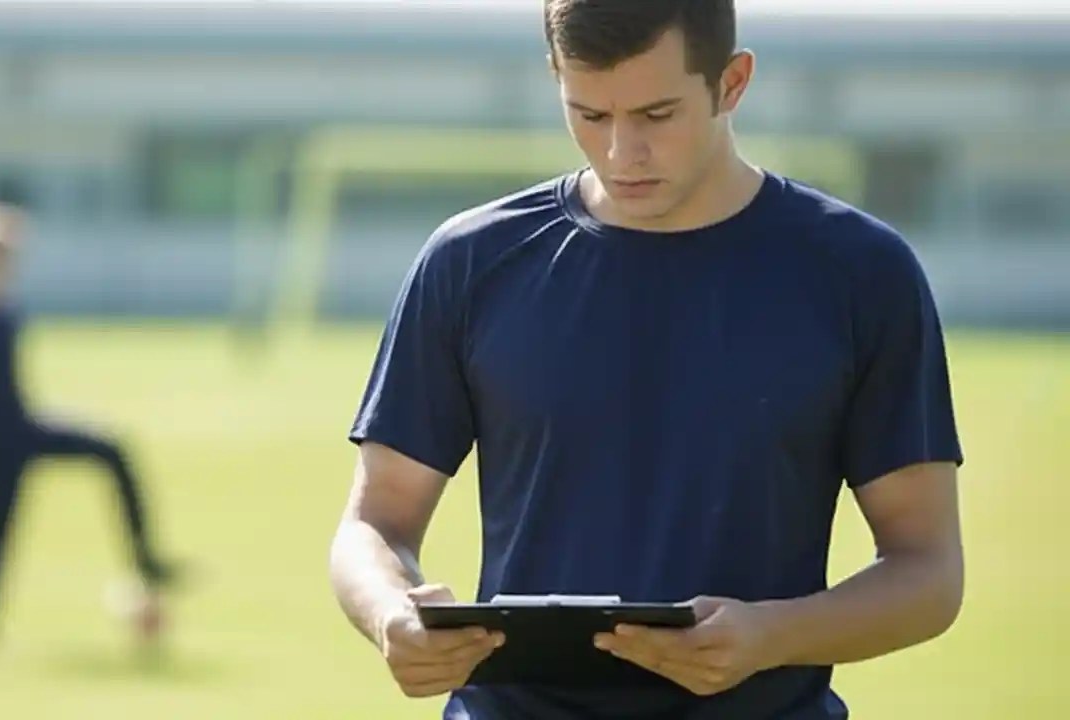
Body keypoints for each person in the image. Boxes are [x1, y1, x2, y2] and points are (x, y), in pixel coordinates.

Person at [328, 1, 965, 718]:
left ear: (732, 82)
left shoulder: (860, 273)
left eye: (657, 115)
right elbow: (374, 522)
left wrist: (770, 636)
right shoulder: (471, 263)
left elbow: (927, 571)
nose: (621, 153)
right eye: (590, 115)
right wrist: (391, 616)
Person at [0, 201, 178, 645]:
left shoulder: (4, 305)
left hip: (23, 424)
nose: (8, 261)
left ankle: (147, 560)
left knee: (111, 450)